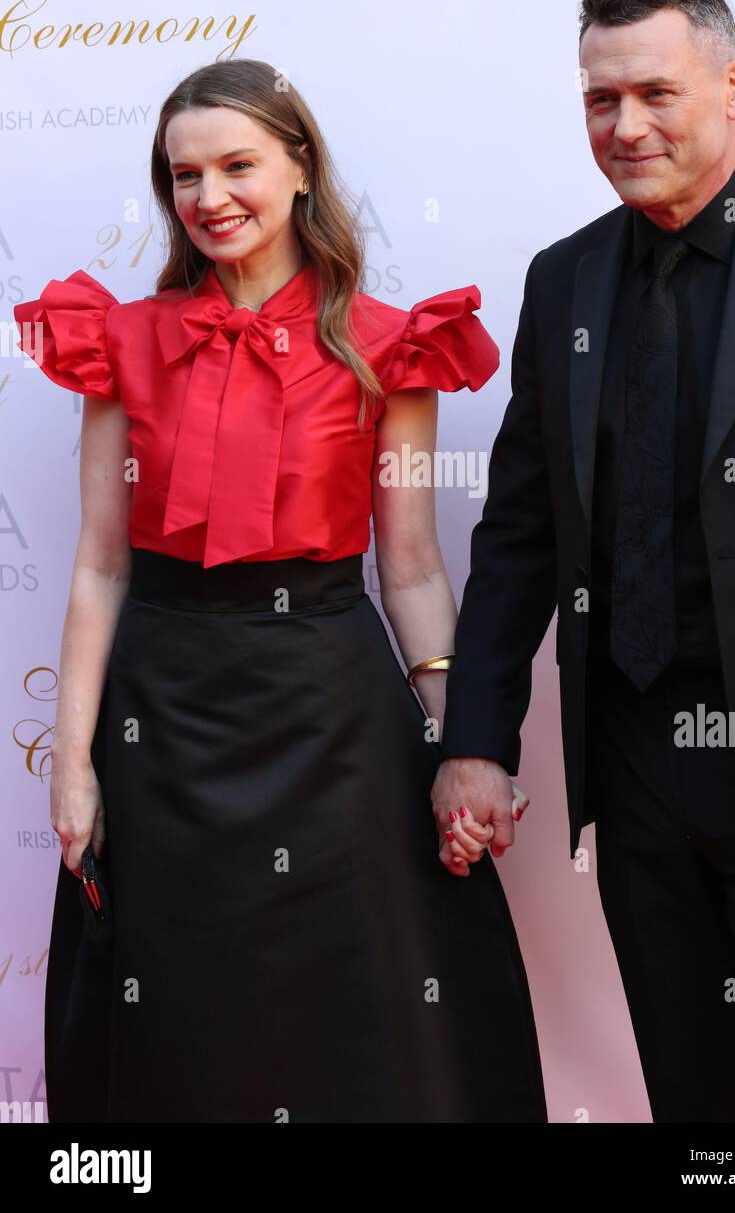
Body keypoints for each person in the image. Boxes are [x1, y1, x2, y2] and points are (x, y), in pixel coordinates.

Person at [14, 57, 547, 1124]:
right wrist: (72, 767)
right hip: (160, 721)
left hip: (334, 718)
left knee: (353, 1006)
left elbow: (409, 567)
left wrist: (455, 746)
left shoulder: (392, 346)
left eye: (237, 164)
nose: (209, 197)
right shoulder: (119, 340)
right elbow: (99, 563)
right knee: (179, 1008)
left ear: (299, 167)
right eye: (183, 175)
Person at [434, 0, 735, 1123]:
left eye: (655, 94)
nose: (623, 127)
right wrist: (474, 738)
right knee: (684, 1087)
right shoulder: (563, 276)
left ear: (732, 87)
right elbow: (519, 530)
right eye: (597, 100)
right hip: (630, 763)